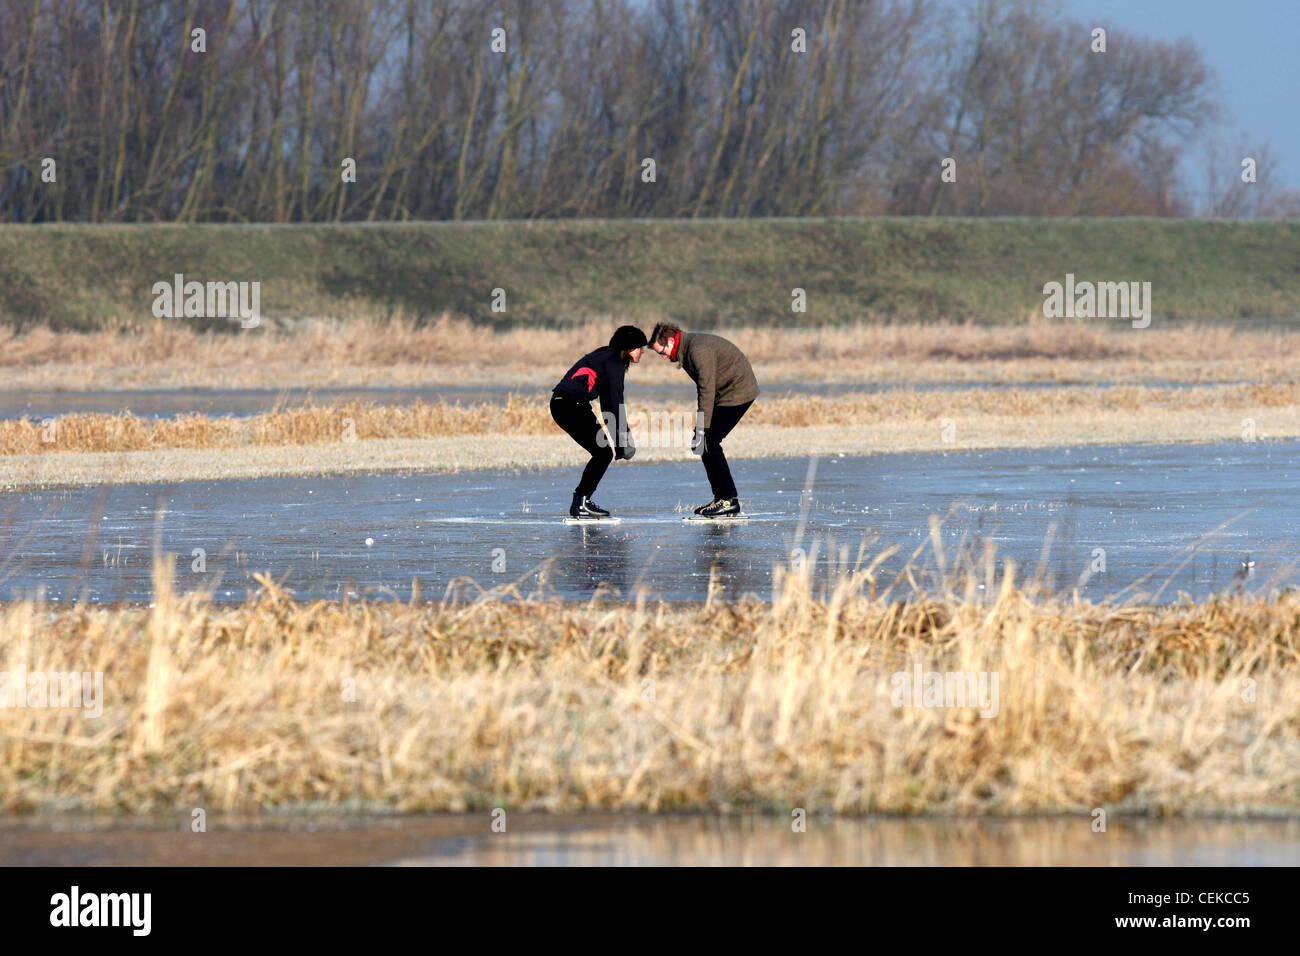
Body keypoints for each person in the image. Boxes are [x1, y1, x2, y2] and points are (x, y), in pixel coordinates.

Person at [647, 320, 759, 517]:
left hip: (738, 391)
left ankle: (727, 499)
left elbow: (706, 389)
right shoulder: (688, 347)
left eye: (662, 351)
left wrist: (701, 428)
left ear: (672, 341)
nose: (663, 357)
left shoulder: (697, 350)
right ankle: (722, 498)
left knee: (708, 441)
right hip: (725, 392)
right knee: (705, 443)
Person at [551, 325, 647, 518]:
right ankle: (581, 503)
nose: (642, 351)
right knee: (603, 453)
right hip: (570, 406)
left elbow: (607, 405)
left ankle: (581, 501)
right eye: (639, 347)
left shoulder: (606, 357)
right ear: (628, 347)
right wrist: (623, 442)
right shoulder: (614, 363)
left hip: (565, 404)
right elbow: (613, 404)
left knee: (602, 452)